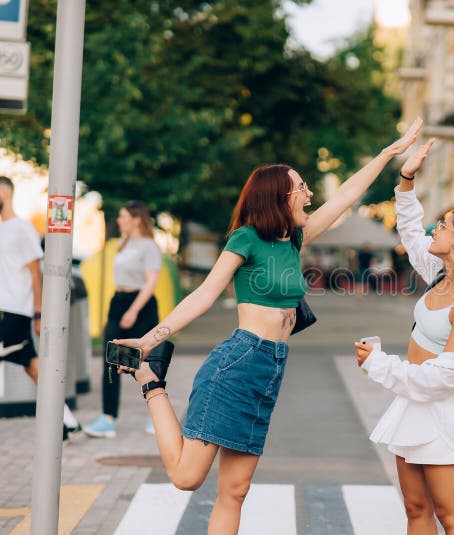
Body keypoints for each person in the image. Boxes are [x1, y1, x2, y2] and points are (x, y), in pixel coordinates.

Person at [114, 118, 423, 535]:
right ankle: (151, 383)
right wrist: (150, 342)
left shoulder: (294, 239)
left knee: (236, 490)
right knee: (187, 477)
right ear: (280, 196)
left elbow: (347, 196)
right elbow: (205, 294)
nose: (310, 194)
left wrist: (389, 153)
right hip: (237, 362)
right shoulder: (245, 238)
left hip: (270, 368)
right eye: (302, 188)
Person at [355, 139, 454, 535]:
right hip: (413, 407)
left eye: (442, 225)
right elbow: (408, 225)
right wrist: (407, 176)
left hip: (443, 416)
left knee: (453, 517)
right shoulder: (437, 275)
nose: (433, 229)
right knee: (416, 509)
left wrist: (379, 364)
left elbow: (442, 378)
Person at [0, 176, 81, 441]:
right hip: (5, 309)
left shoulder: (22, 229)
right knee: (32, 367)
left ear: (5, 193)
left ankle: (67, 422)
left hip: (14, 310)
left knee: (33, 366)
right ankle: (67, 421)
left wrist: (38, 311)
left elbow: (36, 273)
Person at [84, 201, 162, 438]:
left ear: (136, 219)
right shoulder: (122, 243)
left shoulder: (149, 246)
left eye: (123, 216)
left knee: (146, 362)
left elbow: (151, 282)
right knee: (111, 360)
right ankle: (108, 418)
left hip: (141, 305)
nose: (119, 220)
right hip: (118, 302)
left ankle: (157, 416)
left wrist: (134, 310)